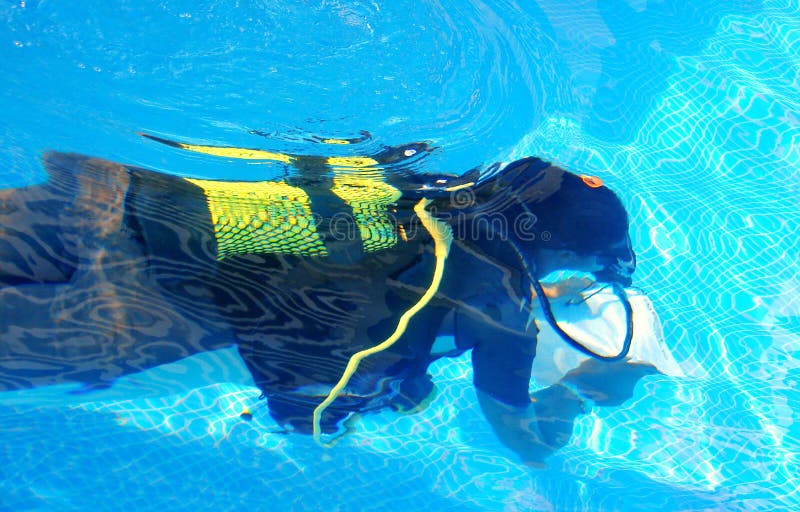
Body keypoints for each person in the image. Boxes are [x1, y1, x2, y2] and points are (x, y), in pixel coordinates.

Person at [0, 138, 639, 463]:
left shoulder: (419, 183)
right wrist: (567, 407)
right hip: (145, 315)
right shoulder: (507, 324)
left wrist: (550, 282)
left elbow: (404, 256)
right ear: (549, 254)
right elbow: (520, 438)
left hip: (117, 202)